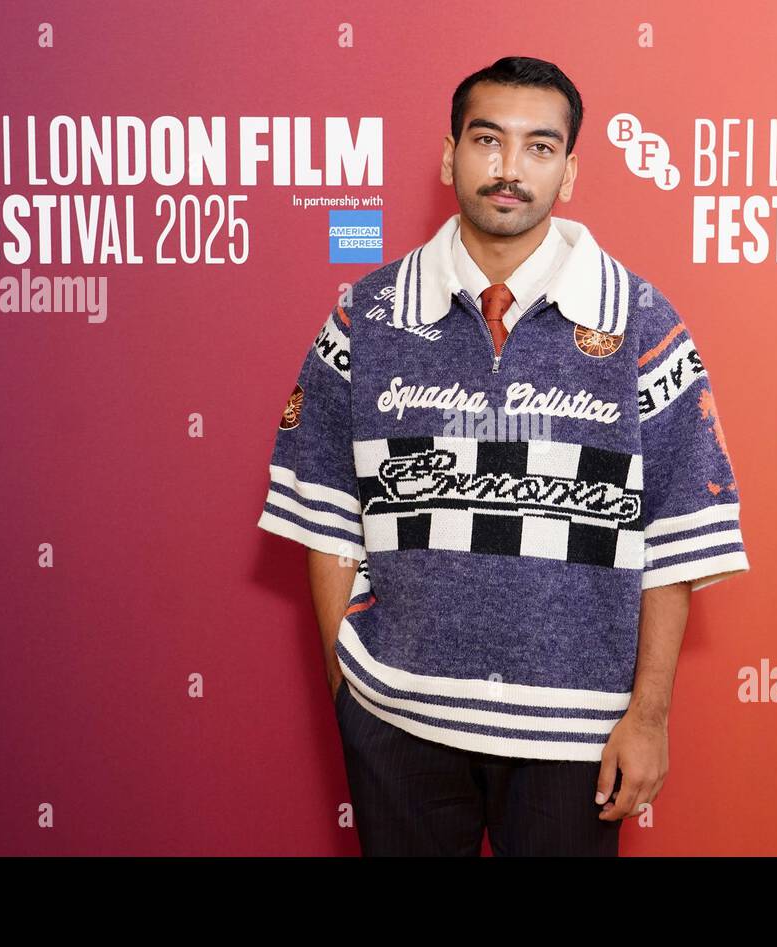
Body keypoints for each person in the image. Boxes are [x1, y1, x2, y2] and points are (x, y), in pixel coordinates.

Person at [258, 56, 750, 856]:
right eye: (488, 141)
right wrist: (348, 687)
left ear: (570, 169)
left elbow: (677, 533)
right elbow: (326, 513)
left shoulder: (641, 320)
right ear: (449, 155)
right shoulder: (367, 314)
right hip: (399, 716)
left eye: (539, 147)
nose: (510, 170)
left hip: (576, 733)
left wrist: (648, 715)